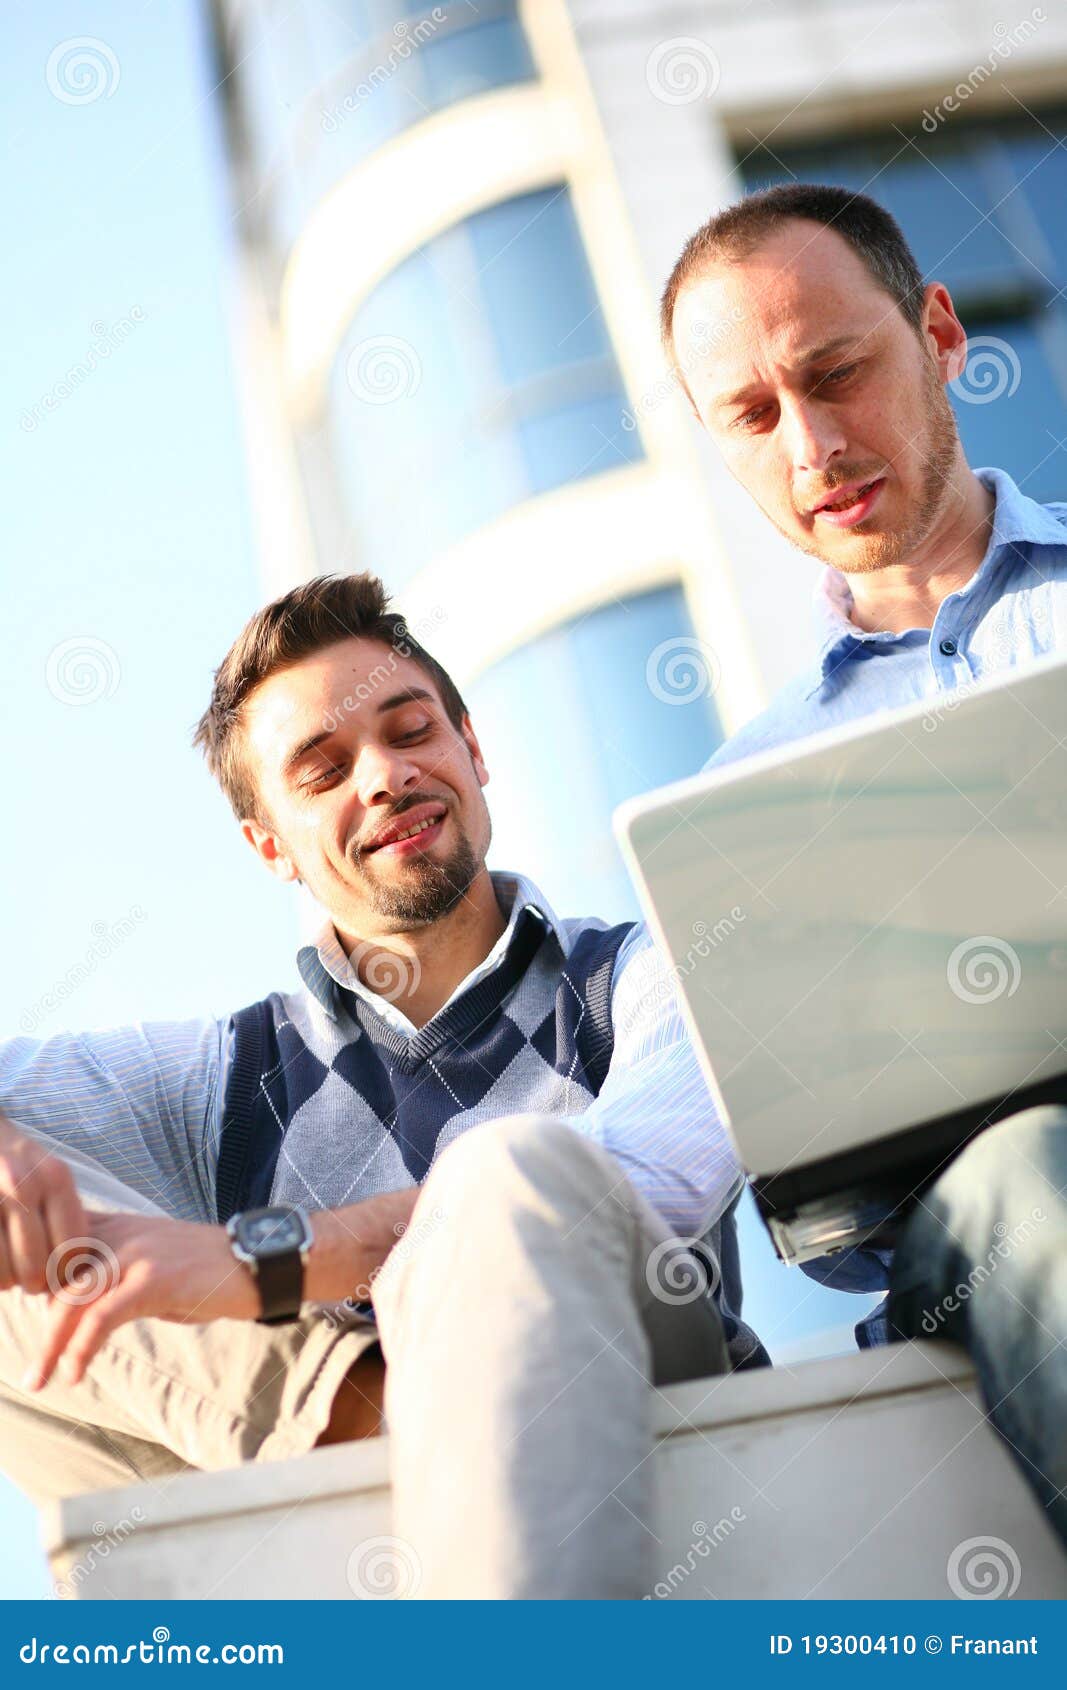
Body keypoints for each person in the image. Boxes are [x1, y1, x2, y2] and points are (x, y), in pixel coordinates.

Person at [0, 572, 757, 1601]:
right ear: (268, 846)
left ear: (472, 750)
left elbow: (650, 1174)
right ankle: (387, 1413)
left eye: (411, 732)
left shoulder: (641, 974)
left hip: (650, 1410)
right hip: (348, 1550)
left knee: (513, 1174)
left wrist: (262, 1260)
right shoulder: (221, 1087)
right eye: (322, 771)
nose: (386, 776)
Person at [661, 181, 1067, 1547]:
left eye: (835, 372)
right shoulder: (747, 801)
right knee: (1027, 1168)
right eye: (753, 414)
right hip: (1000, 1230)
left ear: (937, 333)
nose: (813, 444)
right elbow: (708, 1150)